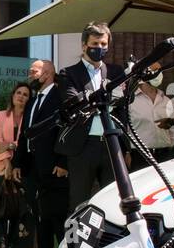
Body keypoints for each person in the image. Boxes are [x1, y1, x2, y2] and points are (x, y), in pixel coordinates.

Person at [55, 22, 128, 214]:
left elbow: (124, 106)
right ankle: (76, 242)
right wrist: (105, 100)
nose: (100, 48)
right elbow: (74, 102)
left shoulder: (116, 72)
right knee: (79, 202)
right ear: (84, 45)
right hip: (83, 146)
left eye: (104, 44)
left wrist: (125, 145)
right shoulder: (68, 73)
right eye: (95, 43)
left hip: (111, 144)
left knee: (114, 200)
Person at [16, 59, 66, 248]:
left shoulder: (60, 96)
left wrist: (63, 161)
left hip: (53, 164)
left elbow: (66, 129)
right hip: (32, 165)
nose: (30, 75)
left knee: (57, 212)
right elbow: (24, 134)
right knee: (40, 213)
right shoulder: (34, 100)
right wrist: (18, 162)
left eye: (33, 71)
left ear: (47, 73)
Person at [0, 82, 32, 248]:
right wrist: (7, 163)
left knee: (22, 210)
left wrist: (11, 145)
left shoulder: (29, 118)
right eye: (18, 93)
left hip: (23, 168)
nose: (21, 96)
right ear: (13, 96)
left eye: (26, 94)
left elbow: (26, 145)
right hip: (0, 167)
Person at [127, 61, 174, 166]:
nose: (159, 74)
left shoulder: (166, 100)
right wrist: (127, 152)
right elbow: (126, 129)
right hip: (140, 156)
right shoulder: (130, 101)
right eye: (155, 70)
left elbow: (173, 129)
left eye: (160, 71)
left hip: (164, 155)